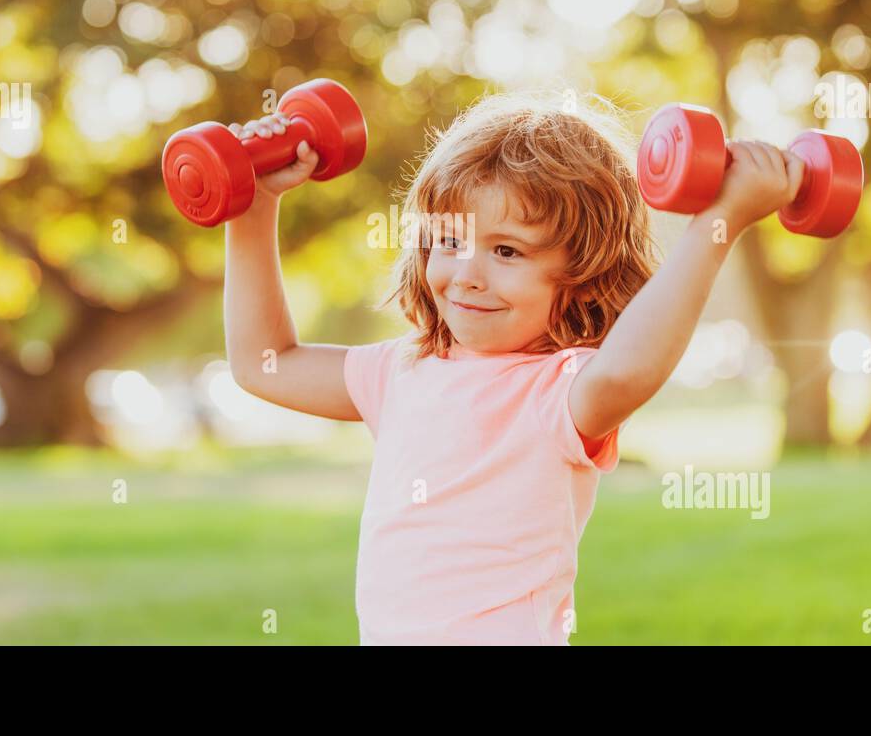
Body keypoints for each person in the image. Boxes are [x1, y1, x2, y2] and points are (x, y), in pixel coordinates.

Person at [222, 90, 805, 645]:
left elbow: (628, 372)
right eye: (450, 240)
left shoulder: (558, 393)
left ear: (581, 275)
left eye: (507, 251)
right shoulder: (401, 371)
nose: (468, 272)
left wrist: (718, 222)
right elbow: (262, 364)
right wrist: (253, 204)